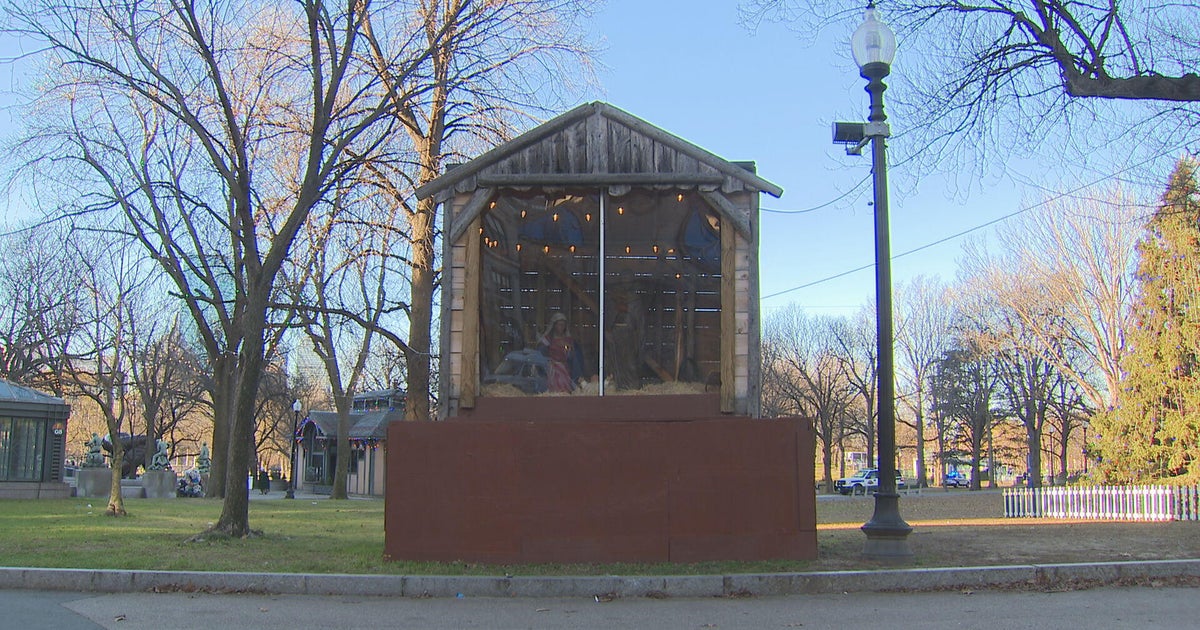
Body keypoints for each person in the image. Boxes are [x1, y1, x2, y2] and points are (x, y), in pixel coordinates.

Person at [538, 312, 584, 393]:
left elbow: (572, 355)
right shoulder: (548, 339)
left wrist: (569, 351)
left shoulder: (568, 340)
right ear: (554, 325)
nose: (561, 327)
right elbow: (541, 353)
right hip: (552, 366)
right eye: (559, 324)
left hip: (565, 365)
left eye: (563, 325)